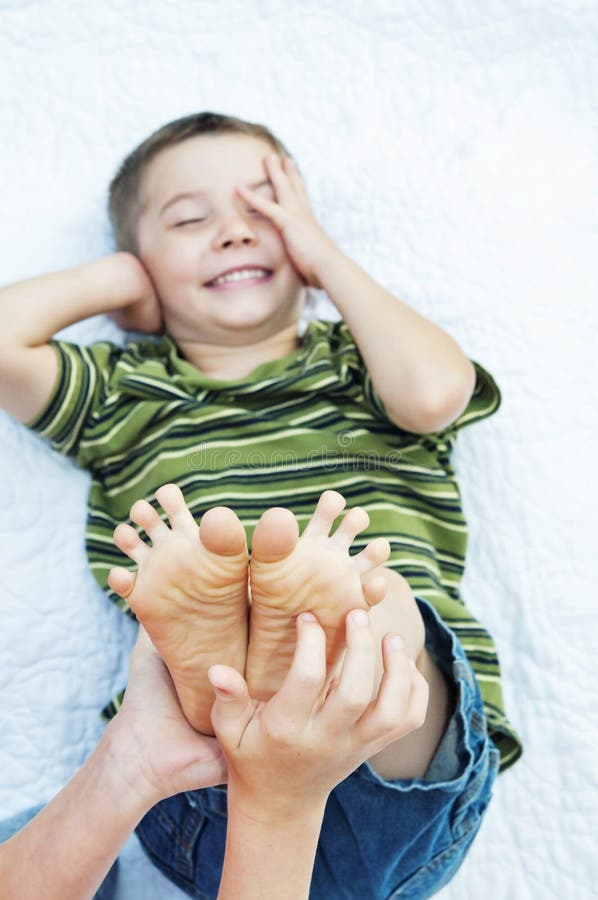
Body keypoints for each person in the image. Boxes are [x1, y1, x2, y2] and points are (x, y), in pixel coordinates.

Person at [0, 110, 521, 895]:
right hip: (205, 791)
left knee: (381, 605)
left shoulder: (362, 365)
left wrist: (324, 256)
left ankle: (290, 653)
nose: (235, 232)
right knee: (352, 602)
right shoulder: (124, 391)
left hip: (393, 755)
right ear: (141, 255)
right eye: (189, 219)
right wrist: (121, 283)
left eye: (265, 208)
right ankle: (230, 673)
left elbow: (434, 392)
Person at [0, 600, 427, 899]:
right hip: (372, 860)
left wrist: (131, 766)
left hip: (177, 812)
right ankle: (357, 648)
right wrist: (279, 806)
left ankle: (298, 666)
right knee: (398, 659)